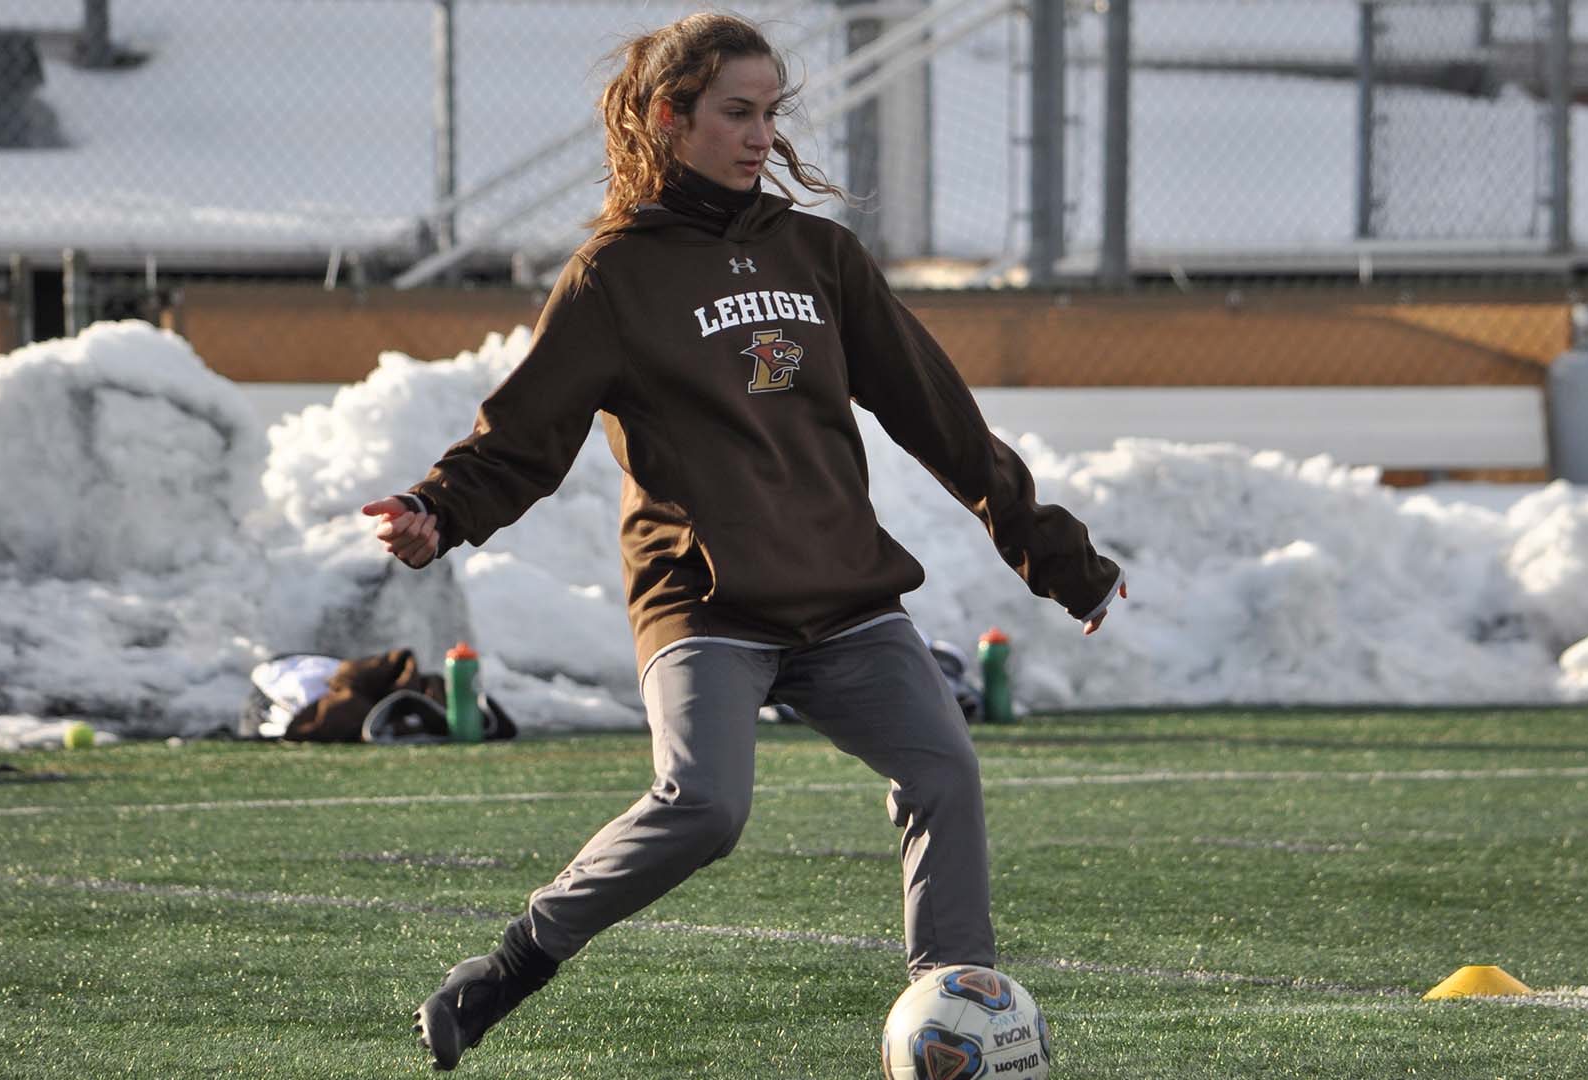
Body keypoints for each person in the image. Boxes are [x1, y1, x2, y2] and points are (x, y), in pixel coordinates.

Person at [362, 12, 1127, 1071]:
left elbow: (939, 415)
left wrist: (1058, 556)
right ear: (670, 119)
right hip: (703, 598)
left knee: (944, 774)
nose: (762, 134)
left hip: (842, 594)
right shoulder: (614, 278)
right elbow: (523, 435)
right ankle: (508, 967)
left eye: (771, 113)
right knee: (706, 807)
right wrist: (439, 511)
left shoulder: (822, 256)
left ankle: (950, 1024)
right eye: (736, 112)